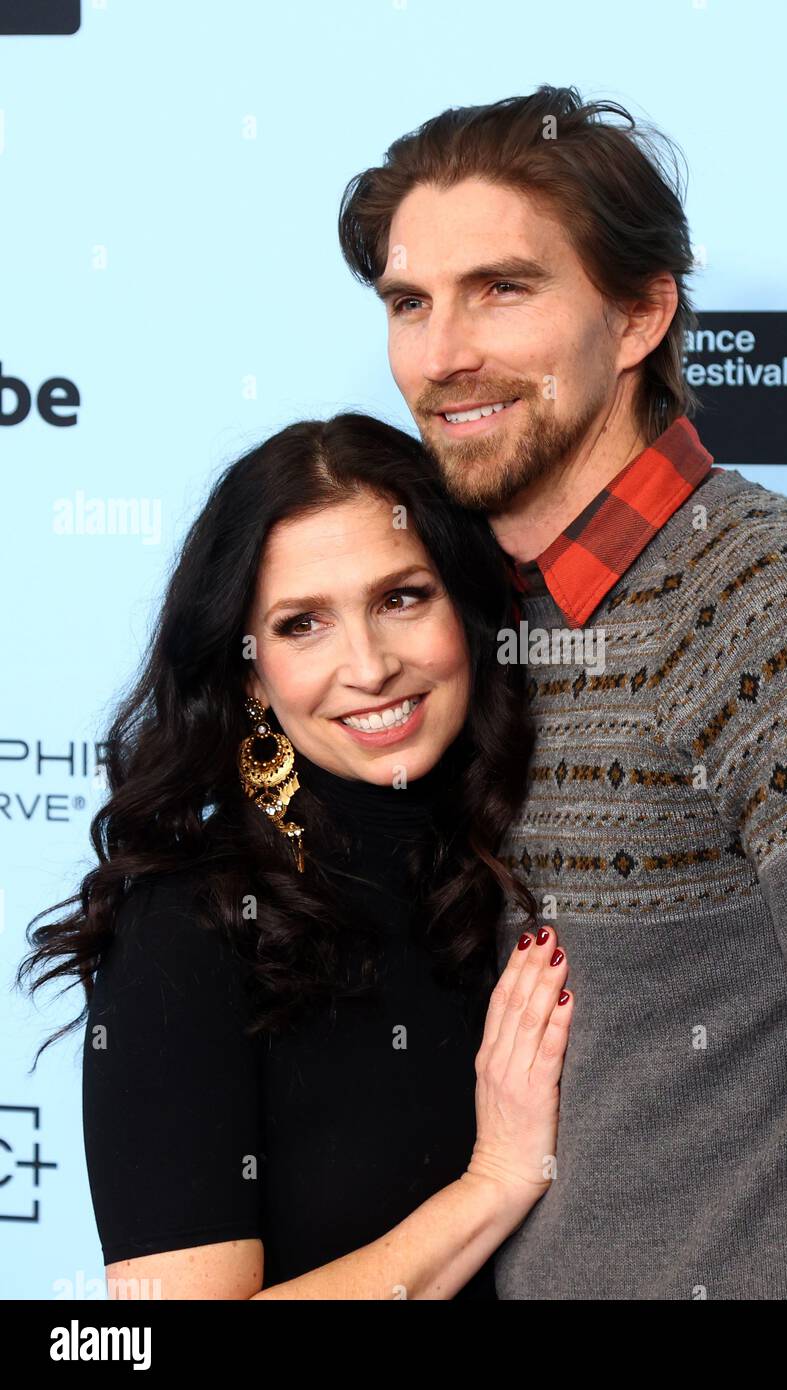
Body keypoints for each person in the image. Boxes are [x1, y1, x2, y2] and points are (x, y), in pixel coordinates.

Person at [336, 84, 787, 1299]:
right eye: (411, 303)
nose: (442, 353)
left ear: (637, 316)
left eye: (502, 290)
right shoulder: (463, 624)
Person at [17, 412, 575, 1299]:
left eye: (402, 598)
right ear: (248, 673)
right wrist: (493, 1185)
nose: (369, 665)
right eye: (303, 624)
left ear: (468, 611)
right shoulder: (188, 931)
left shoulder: (535, 852)